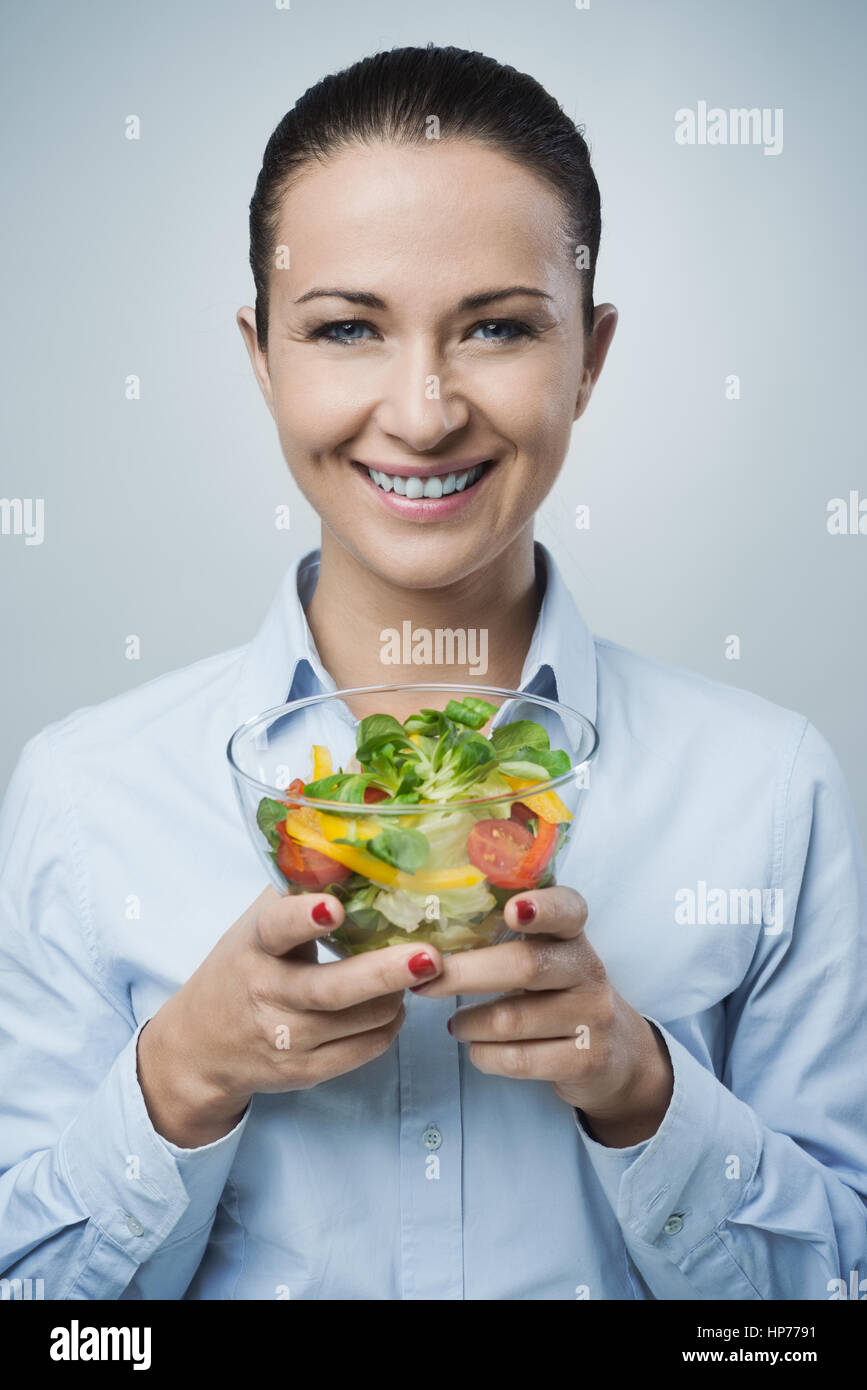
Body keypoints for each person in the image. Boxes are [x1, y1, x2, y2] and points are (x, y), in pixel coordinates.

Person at [1, 43, 865, 1302]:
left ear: (591, 355)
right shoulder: (83, 791)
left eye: (500, 328)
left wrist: (643, 1092)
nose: (422, 411)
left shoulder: (769, 785)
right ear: (261, 355)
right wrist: (178, 1080)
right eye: (347, 327)